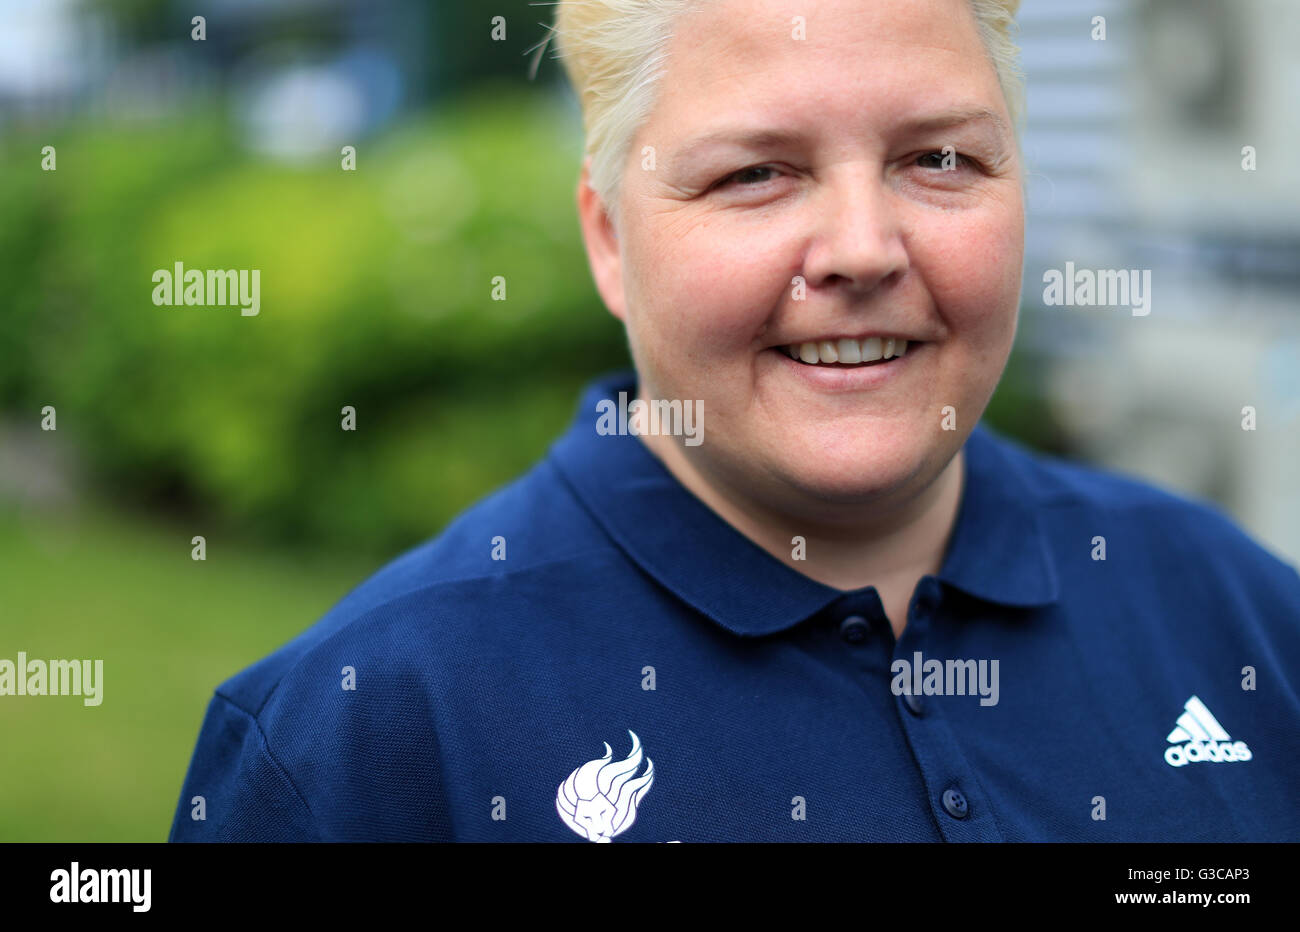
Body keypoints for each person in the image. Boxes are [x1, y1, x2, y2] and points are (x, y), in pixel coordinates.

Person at [169, 0, 1300, 843]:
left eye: (939, 158)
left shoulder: (1238, 614)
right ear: (609, 238)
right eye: (757, 172)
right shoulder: (362, 737)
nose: (862, 247)